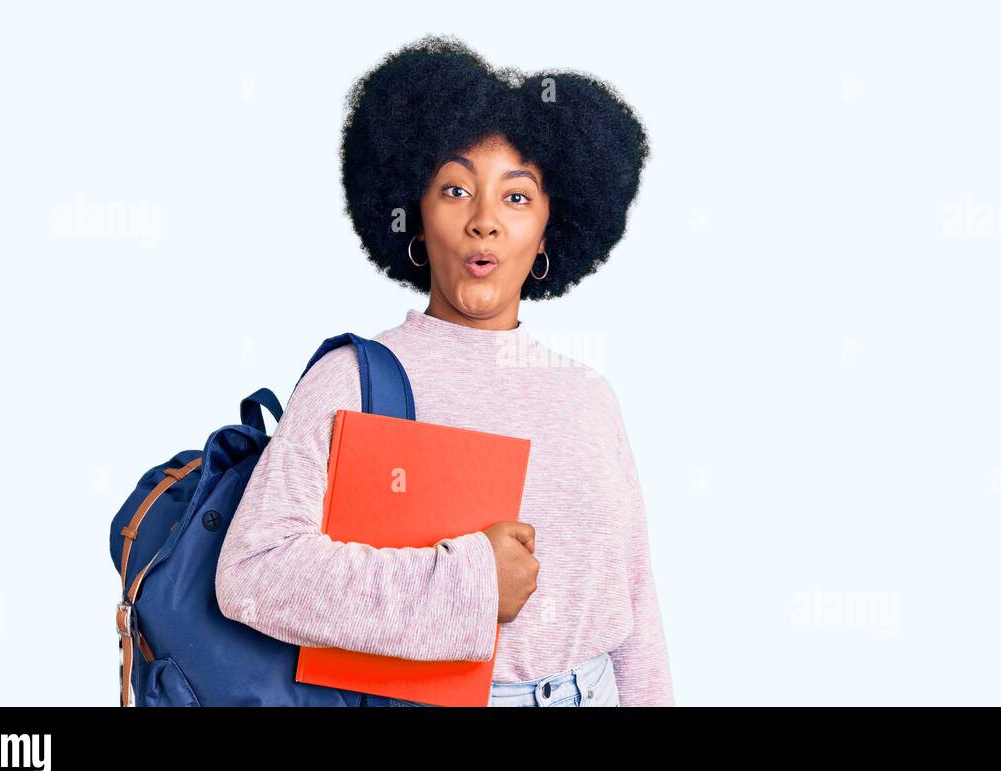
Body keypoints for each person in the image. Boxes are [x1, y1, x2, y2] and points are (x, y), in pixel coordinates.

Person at [215, 34, 672, 707]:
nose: (484, 221)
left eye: (516, 198)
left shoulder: (590, 395)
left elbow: (634, 602)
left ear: (550, 230)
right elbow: (252, 573)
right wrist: (470, 583)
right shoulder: (355, 378)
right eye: (456, 189)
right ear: (418, 216)